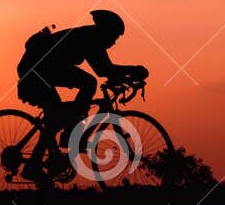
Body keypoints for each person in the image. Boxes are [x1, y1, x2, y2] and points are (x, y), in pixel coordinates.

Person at [16, 9, 147, 176]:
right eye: (114, 36)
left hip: (43, 70)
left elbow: (105, 69)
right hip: (34, 72)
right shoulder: (90, 38)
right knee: (88, 83)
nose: (114, 42)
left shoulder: (91, 36)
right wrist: (133, 70)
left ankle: (36, 163)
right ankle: (70, 133)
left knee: (55, 120)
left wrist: (125, 75)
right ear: (105, 30)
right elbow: (103, 69)